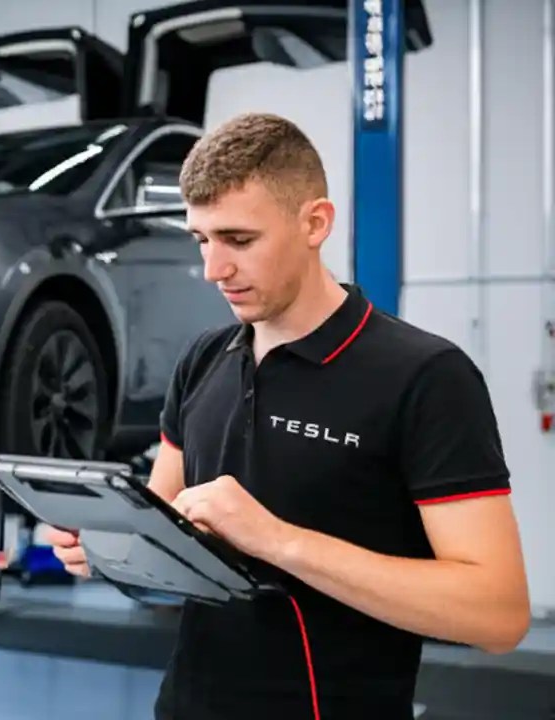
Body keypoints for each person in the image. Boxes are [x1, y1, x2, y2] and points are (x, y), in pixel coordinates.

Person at [48, 112, 531, 719]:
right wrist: (107, 545)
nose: (213, 269)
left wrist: (277, 540)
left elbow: (499, 615)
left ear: (315, 223)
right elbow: (163, 535)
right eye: (202, 239)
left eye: (239, 240)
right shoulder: (202, 360)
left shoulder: (425, 376)